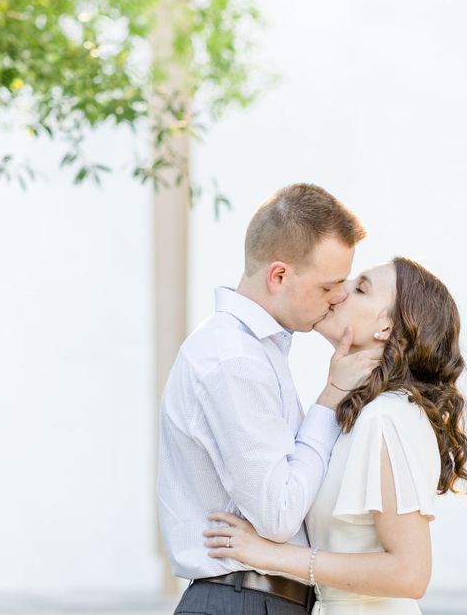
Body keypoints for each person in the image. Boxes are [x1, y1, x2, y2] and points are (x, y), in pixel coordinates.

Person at [158, 183, 384, 615]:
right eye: (328, 287)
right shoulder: (233, 359)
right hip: (243, 600)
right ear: (278, 276)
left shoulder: (253, 351)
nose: (339, 297)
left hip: (254, 599)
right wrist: (330, 399)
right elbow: (278, 513)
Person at [203, 257, 467, 614]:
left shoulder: (388, 416)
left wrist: (271, 555)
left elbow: (410, 573)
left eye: (360, 288)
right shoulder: (359, 414)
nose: (339, 290)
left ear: (386, 327)